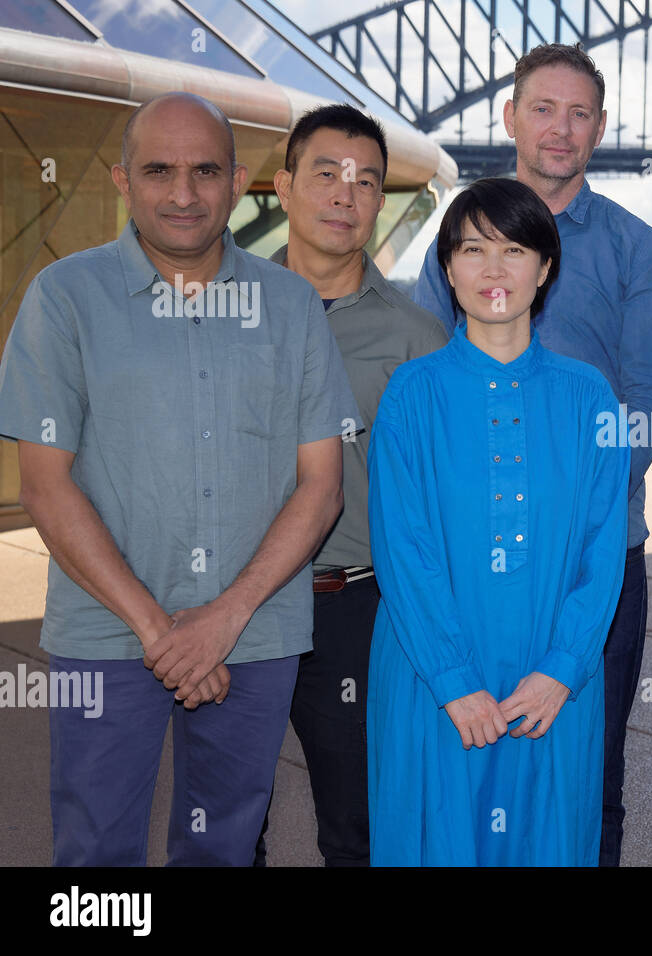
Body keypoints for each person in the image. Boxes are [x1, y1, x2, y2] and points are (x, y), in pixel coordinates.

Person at [0, 92, 358, 866]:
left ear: (238, 183)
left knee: (224, 849)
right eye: (159, 170)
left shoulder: (292, 306)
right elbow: (46, 488)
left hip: (254, 634)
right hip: (104, 631)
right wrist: (163, 633)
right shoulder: (64, 300)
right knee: (95, 854)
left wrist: (222, 619)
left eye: (205, 171)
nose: (184, 193)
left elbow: (321, 486)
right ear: (125, 180)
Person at [413, 43, 652, 866]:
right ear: (510, 117)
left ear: (600, 127)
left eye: (579, 112)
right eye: (543, 108)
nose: (560, 129)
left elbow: (642, 413)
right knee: (466, 754)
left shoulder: (636, 249)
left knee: (584, 774)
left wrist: (564, 521)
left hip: (589, 563)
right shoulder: (457, 234)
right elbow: (429, 382)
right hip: (465, 566)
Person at [368, 177, 630, 865]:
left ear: (545, 269)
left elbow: (605, 551)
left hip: (551, 685)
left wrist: (564, 667)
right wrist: (453, 678)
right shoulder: (410, 395)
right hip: (434, 679)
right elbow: (403, 549)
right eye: (472, 248)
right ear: (448, 268)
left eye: (514, 249)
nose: (492, 268)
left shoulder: (591, 398)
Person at [265, 104, 448, 866]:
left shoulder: (418, 338)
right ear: (282, 187)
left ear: (381, 203)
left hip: (355, 610)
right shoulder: (216, 314)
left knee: (362, 826)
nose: (346, 194)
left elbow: (438, 501)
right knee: (224, 822)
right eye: (327, 174)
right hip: (232, 608)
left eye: (366, 182)